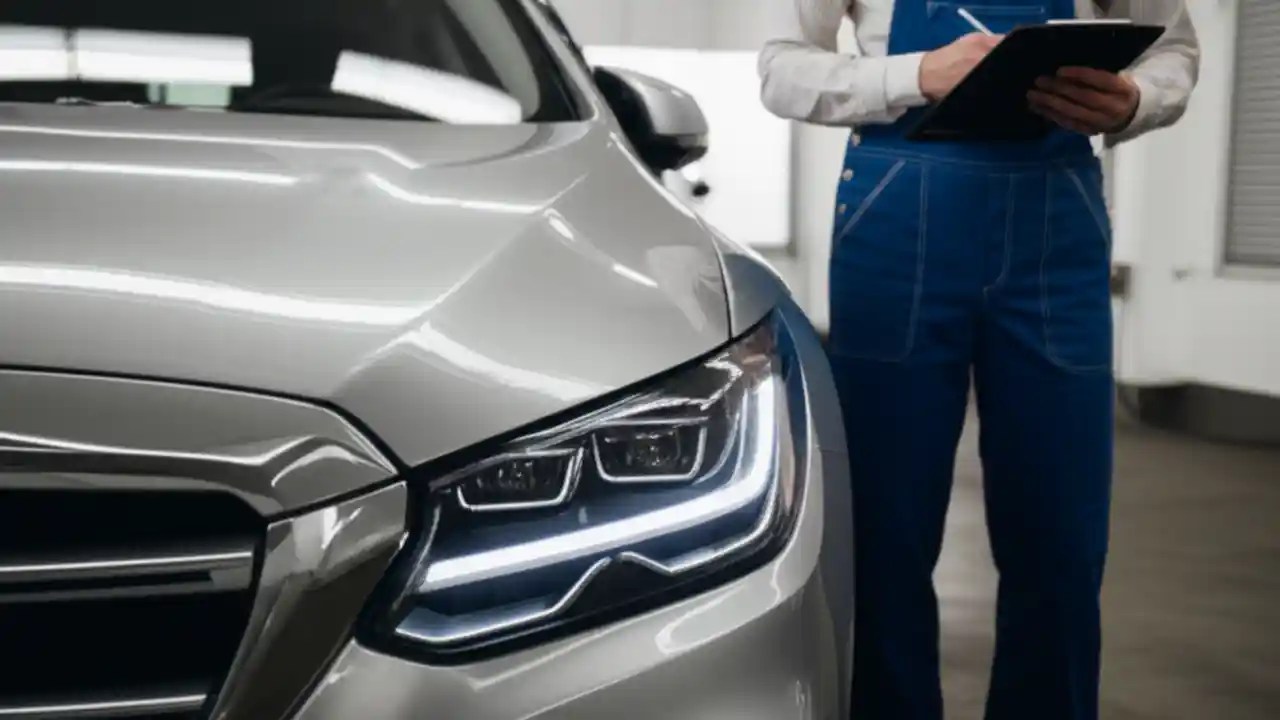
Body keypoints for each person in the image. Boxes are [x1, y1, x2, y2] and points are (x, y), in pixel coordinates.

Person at [758, 2, 1198, 719]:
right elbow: (779, 69)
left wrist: (1137, 102)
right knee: (884, 535)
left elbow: (1175, 51)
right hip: (897, 218)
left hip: (1056, 229)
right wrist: (916, 74)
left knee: (1062, 540)